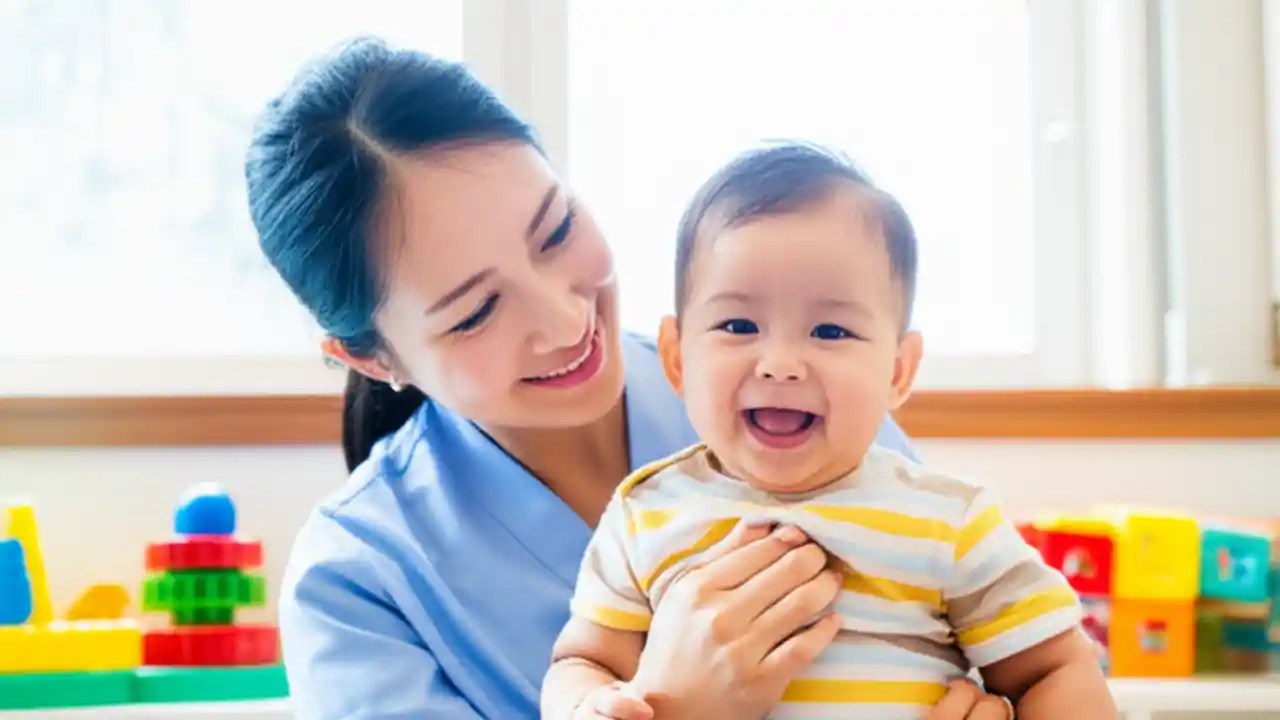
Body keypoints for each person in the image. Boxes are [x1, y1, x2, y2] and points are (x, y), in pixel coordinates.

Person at [244, 36, 1023, 720]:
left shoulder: (788, 388)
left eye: (555, 230)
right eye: (477, 311)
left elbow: (1020, 645)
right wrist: (678, 708)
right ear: (373, 358)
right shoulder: (355, 590)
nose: (563, 318)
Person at [542, 144, 1116, 720]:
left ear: (898, 371)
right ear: (677, 359)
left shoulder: (950, 522)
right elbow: (584, 659)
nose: (781, 363)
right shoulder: (644, 514)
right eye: (739, 325)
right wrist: (587, 706)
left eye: (831, 330)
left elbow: (1053, 667)